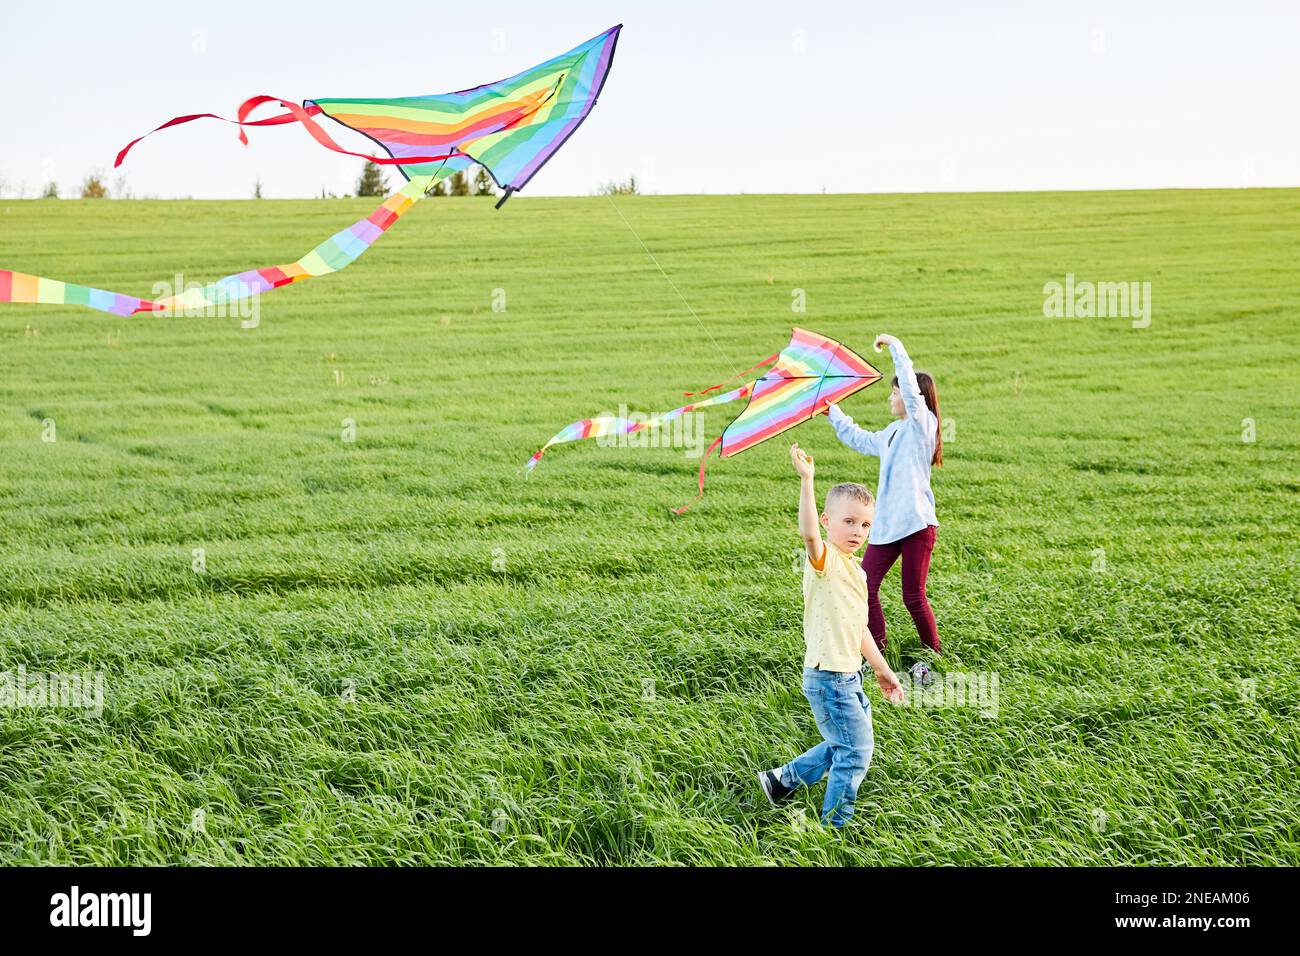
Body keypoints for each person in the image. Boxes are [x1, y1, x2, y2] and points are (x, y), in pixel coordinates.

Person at [757, 443, 904, 828]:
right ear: (827, 520)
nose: (858, 531)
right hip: (828, 678)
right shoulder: (824, 560)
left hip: (849, 676)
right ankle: (834, 829)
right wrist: (807, 480)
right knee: (856, 751)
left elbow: (860, 630)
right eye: (849, 521)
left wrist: (884, 671)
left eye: (866, 524)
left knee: (846, 745)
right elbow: (807, 535)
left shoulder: (858, 573)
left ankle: (781, 781)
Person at [825, 333, 942, 655]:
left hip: (916, 524)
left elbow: (909, 386)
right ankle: (877, 650)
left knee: (913, 596)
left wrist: (895, 346)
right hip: (887, 526)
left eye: (894, 393)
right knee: (865, 586)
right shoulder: (892, 433)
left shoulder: (923, 424)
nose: (891, 399)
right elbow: (860, 439)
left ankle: (933, 653)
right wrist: (833, 413)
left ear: (910, 396)